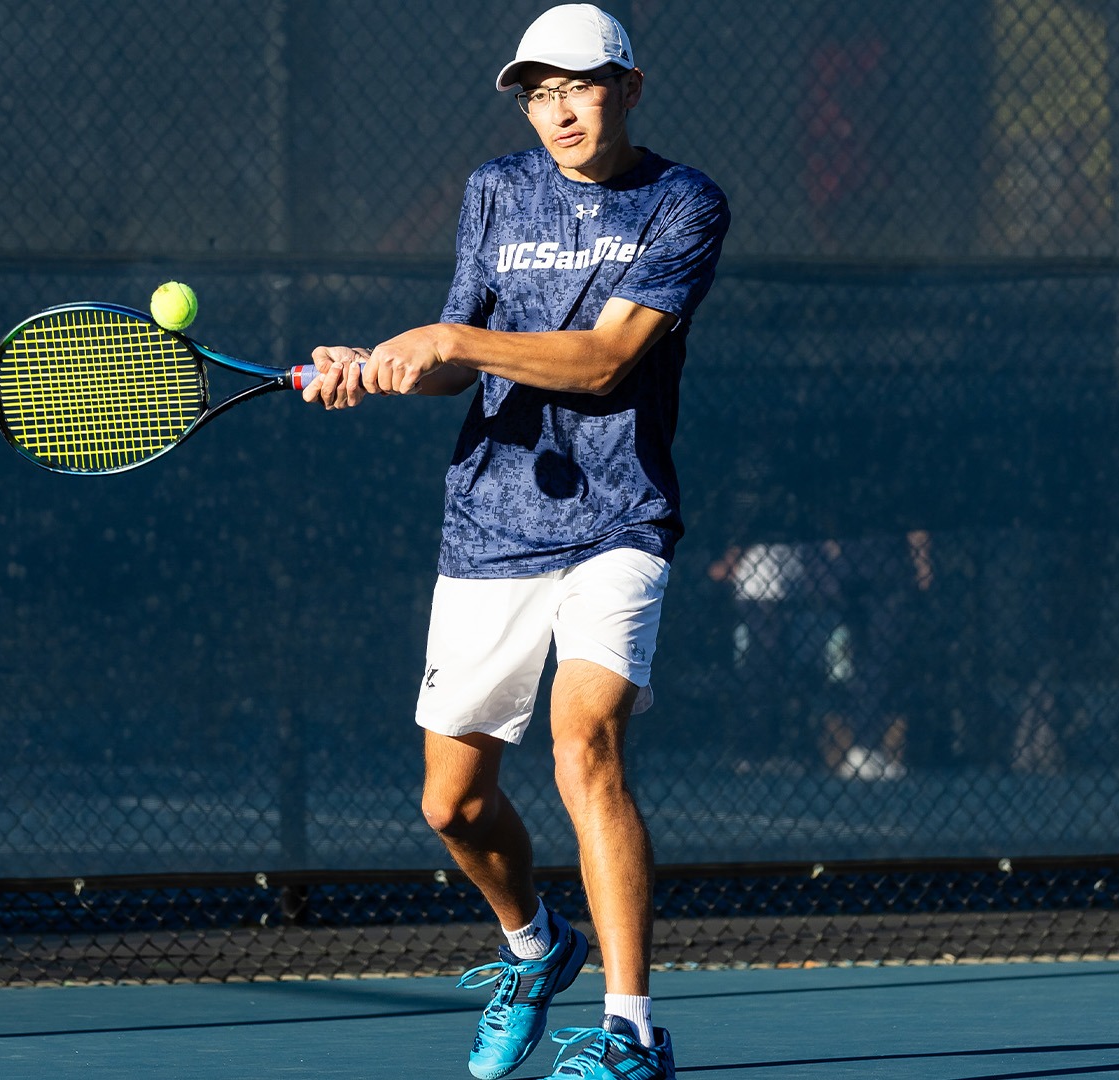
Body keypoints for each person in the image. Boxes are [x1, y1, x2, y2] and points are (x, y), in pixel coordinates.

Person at [301, 6, 728, 1078]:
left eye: (577, 86)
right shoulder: (496, 190)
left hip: (619, 517)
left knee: (588, 745)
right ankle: (535, 950)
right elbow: (456, 357)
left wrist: (453, 340)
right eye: (538, 92)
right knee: (451, 802)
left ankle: (631, 1036)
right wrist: (388, 361)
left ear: (630, 87)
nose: (557, 109)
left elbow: (603, 363)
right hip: (489, 522)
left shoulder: (684, 204)